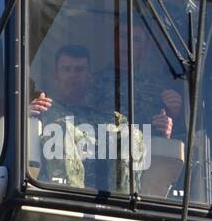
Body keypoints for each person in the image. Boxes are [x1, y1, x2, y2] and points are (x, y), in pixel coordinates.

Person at [30, 44, 144, 192]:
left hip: (112, 207)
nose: (73, 75)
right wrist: (27, 116)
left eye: (79, 70)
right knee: (60, 129)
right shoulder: (42, 111)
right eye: (67, 69)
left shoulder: (111, 119)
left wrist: (163, 133)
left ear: (90, 76)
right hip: (56, 203)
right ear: (55, 76)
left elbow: (140, 143)